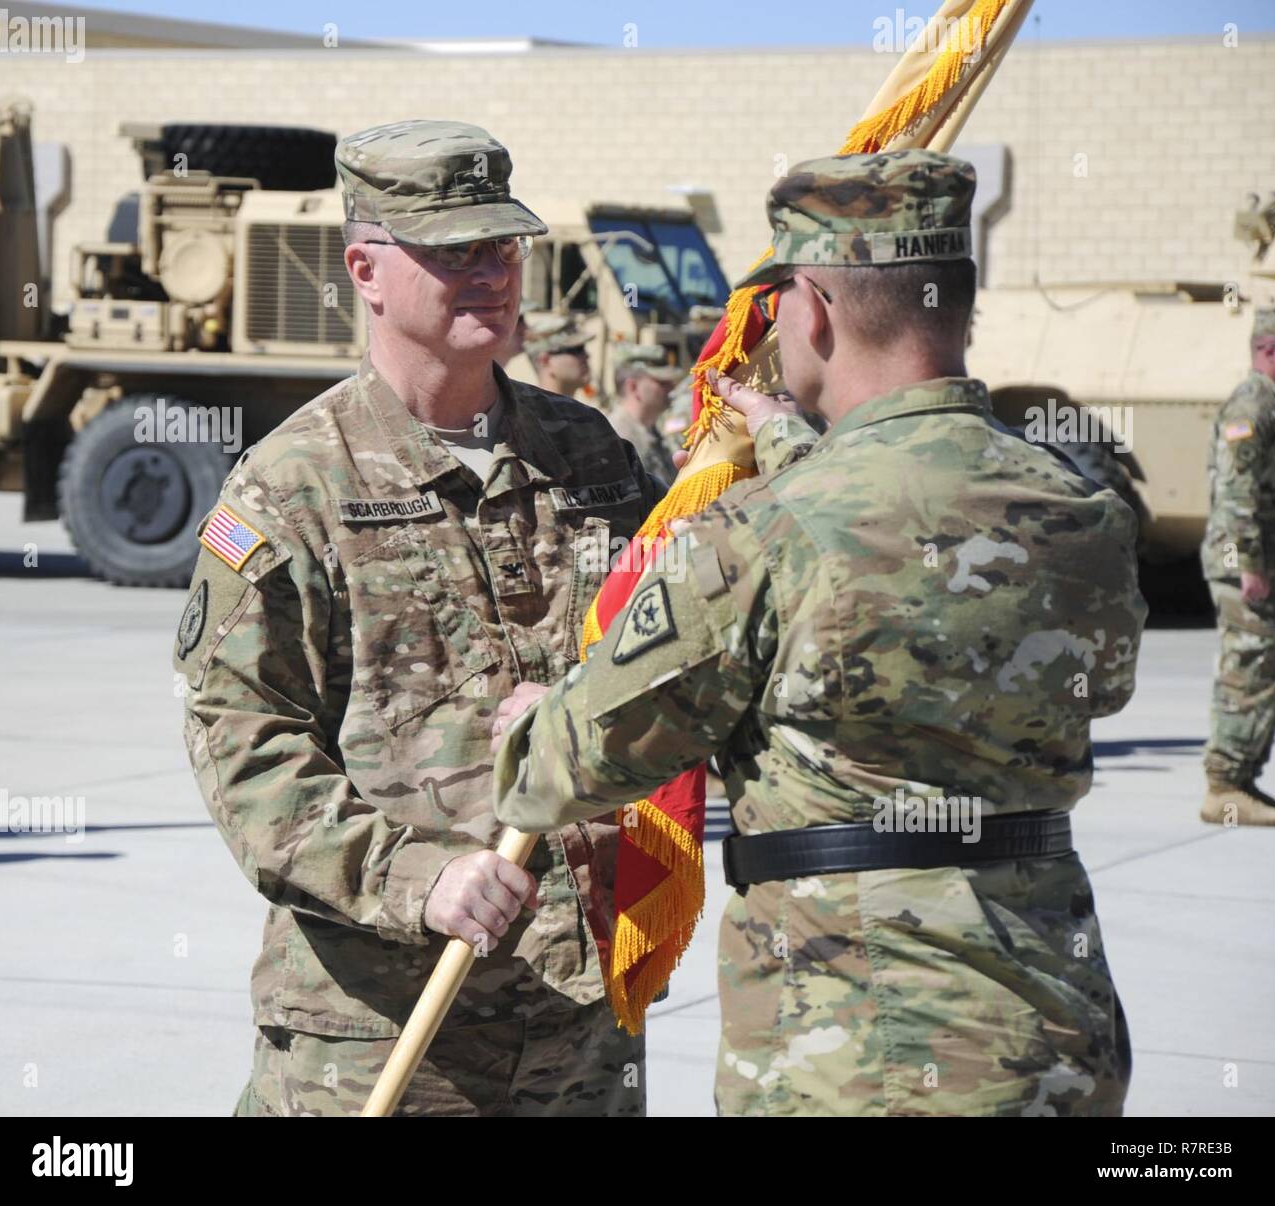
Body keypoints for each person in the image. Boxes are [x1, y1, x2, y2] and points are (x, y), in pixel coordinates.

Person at [491, 150, 1147, 1117]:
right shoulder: (1084, 514)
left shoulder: (758, 536)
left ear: (812, 310)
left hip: (860, 1051)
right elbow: (902, 518)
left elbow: (568, 766)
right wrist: (789, 439)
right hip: (1056, 1033)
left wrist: (533, 720)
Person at [174, 119, 665, 1117]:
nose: (487, 273)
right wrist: (414, 877)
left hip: (582, 1029)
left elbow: (666, 657)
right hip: (386, 1036)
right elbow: (242, 741)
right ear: (365, 268)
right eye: (451, 252)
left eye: (501, 247)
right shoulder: (290, 486)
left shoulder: (592, 456)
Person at [1200, 307, 1275, 826]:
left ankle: (1241, 781)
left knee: (1262, 667)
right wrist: (1250, 564)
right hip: (1244, 562)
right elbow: (1236, 491)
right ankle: (1225, 788)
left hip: (1261, 558)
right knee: (1248, 667)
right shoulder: (1252, 403)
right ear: (1270, 351)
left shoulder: (1271, 402)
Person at [607, 344, 684, 489]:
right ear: (633, 387)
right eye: (662, 382)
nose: (671, 387)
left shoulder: (652, 432)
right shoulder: (618, 437)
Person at [525, 315, 598, 402]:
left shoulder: (579, 413)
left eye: (583, 348)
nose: (586, 355)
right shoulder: (532, 413)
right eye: (576, 350)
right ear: (545, 361)